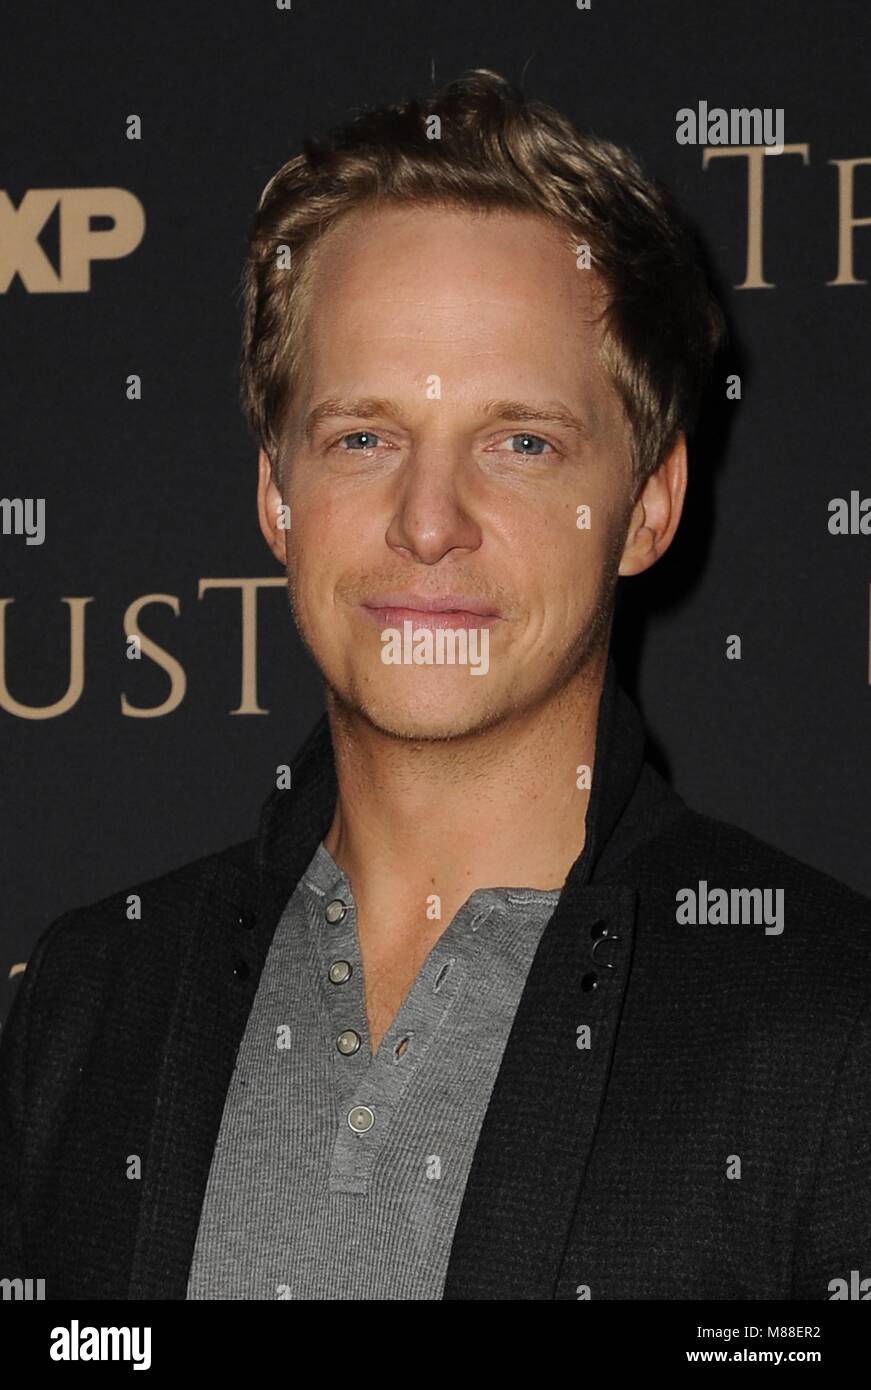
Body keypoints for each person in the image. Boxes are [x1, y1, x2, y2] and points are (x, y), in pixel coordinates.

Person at [1, 69, 869, 1301]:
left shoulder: (829, 1026)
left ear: (649, 505)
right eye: (364, 437)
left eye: (520, 443)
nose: (426, 523)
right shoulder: (90, 1004)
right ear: (276, 495)